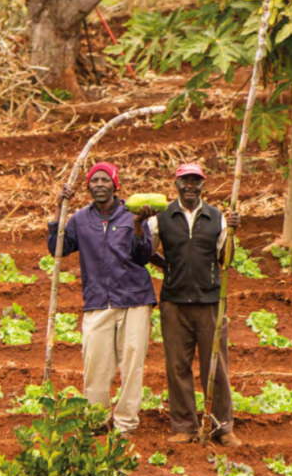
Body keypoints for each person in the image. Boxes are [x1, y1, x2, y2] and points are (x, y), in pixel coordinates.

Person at [47, 162, 155, 435]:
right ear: (88, 186)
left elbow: (143, 257)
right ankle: (97, 420)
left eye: (105, 180)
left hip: (134, 298)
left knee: (132, 362)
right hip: (98, 299)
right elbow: (57, 248)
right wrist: (59, 209)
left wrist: (138, 226)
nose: (99, 185)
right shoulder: (80, 220)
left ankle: (126, 422)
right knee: (95, 363)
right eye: (94, 181)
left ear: (115, 185)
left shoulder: (132, 214)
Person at [145, 162, 241, 447]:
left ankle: (222, 427)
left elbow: (226, 259)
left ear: (202, 185)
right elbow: (146, 250)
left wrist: (233, 232)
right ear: (176, 184)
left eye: (195, 181)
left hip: (209, 301)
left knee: (216, 366)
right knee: (177, 366)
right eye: (185, 181)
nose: (190, 186)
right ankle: (184, 426)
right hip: (174, 302)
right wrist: (166, 266)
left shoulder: (216, 218)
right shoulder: (161, 217)